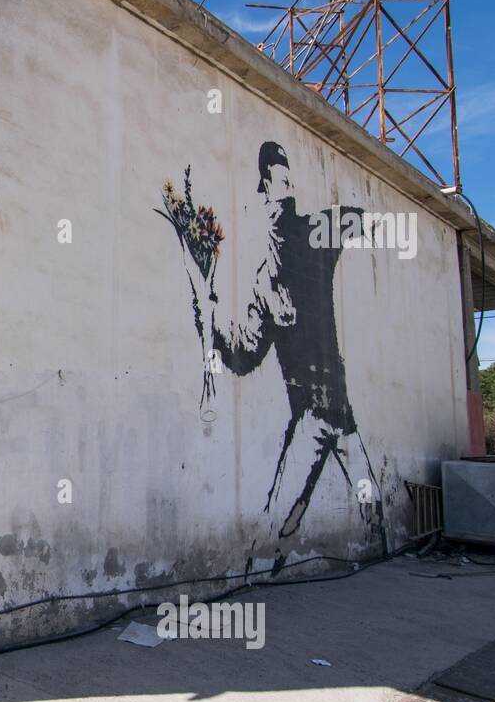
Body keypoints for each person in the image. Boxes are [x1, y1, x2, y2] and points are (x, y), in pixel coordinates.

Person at [157, 142, 382, 562]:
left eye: (284, 180)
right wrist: (207, 309)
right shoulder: (265, 280)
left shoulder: (314, 235)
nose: (279, 190)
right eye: (273, 181)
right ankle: (262, 575)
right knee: (277, 523)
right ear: (263, 192)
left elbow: (360, 220)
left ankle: (378, 560)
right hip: (313, 421)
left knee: (368, 514)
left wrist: (367, 223)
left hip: (340, 415)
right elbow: (243, 358)